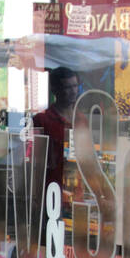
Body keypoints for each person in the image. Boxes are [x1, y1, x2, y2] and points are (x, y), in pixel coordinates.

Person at [33, 66, 79, 198]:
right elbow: (33, 162)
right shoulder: (41, 120)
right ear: (55, 90)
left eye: (75, 86)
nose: (73, 91)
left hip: (76, 193)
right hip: (50, 192)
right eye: (67, 87)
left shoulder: (81, 120)